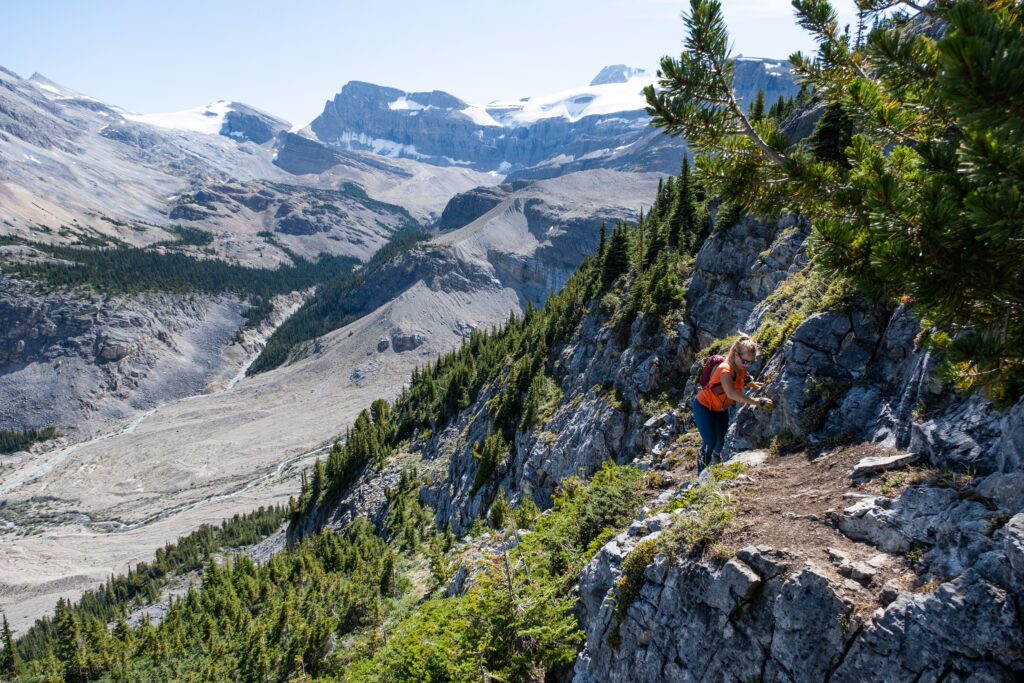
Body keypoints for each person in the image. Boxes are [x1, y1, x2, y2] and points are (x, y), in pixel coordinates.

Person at [692, 334, 773, 473]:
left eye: (751, 362)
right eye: (745, 361)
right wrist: (756, 402)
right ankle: (700, 476)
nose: (747, 365)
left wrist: (750, 384)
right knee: (709, 441)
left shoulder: (740, 367)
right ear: (735, 354)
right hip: (703, 406)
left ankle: (716, 463)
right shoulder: (725, 369)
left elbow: (739, 381)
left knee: (720, 441)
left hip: (720, 409)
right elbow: (731, 393)